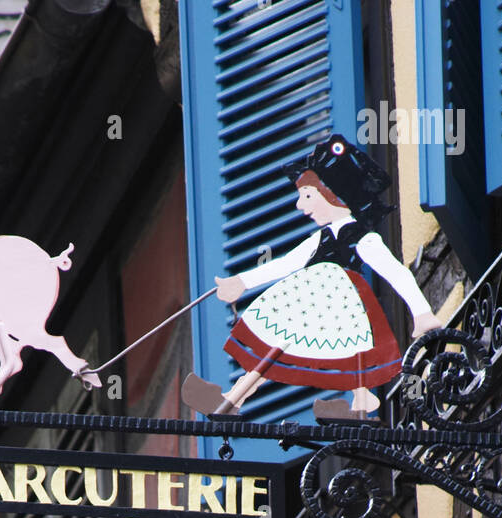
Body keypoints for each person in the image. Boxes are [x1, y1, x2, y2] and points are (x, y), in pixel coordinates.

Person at [182, 134, 443, 419]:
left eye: (307, 196)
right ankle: (234, 399)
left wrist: (422, 314)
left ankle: (237, 400)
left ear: (333, 194)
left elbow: (396, 273)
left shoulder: (361, 238)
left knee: (296, 350)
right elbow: (285, 264)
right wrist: (241, 282)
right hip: (314, 303)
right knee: (278, 348)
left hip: (341, 305)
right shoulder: (321, 238)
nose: (300, 205)